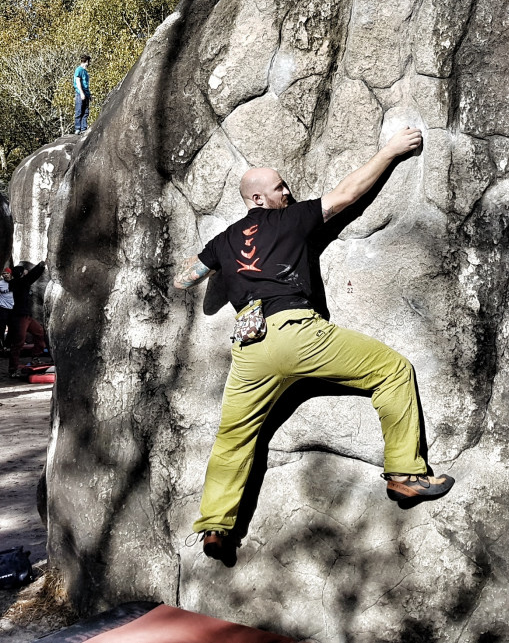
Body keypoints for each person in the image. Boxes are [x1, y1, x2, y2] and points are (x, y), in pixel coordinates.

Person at [173, 127, 453, 562]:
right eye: (280, 187)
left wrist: (222, 270)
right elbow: (345, 195)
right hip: (297, 330)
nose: (289, 191)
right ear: (259, 198)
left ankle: (215, 525)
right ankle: (406, 472)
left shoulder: (224, 239)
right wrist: (391, 152)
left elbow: (184, 278)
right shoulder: (290, 218)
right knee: (392, 370)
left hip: (250, 346)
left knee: (234, 438)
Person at [6, 261, 46, 376]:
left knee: (39, 333)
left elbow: (30, 277)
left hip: (27, 316)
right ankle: (13, 369)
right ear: (21, 274)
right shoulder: (19, 282)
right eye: (24, 270)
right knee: (18, 342)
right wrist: (41, 266)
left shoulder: (22, 282)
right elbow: (32, 275)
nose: (26, 271)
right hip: (20, 317)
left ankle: (35, 357)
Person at [73, 54, 92, 134]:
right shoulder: (79, 70)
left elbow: (86, 84)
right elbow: (77, 81)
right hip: (80, 93)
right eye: (88, 62)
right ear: (86, 61)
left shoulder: (85, 71)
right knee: (79, 111)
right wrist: (81, 93)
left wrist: (89, 95)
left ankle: (83, 128)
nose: (89, 64)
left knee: (86, 112)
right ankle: (78, 128)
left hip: (86, 94)